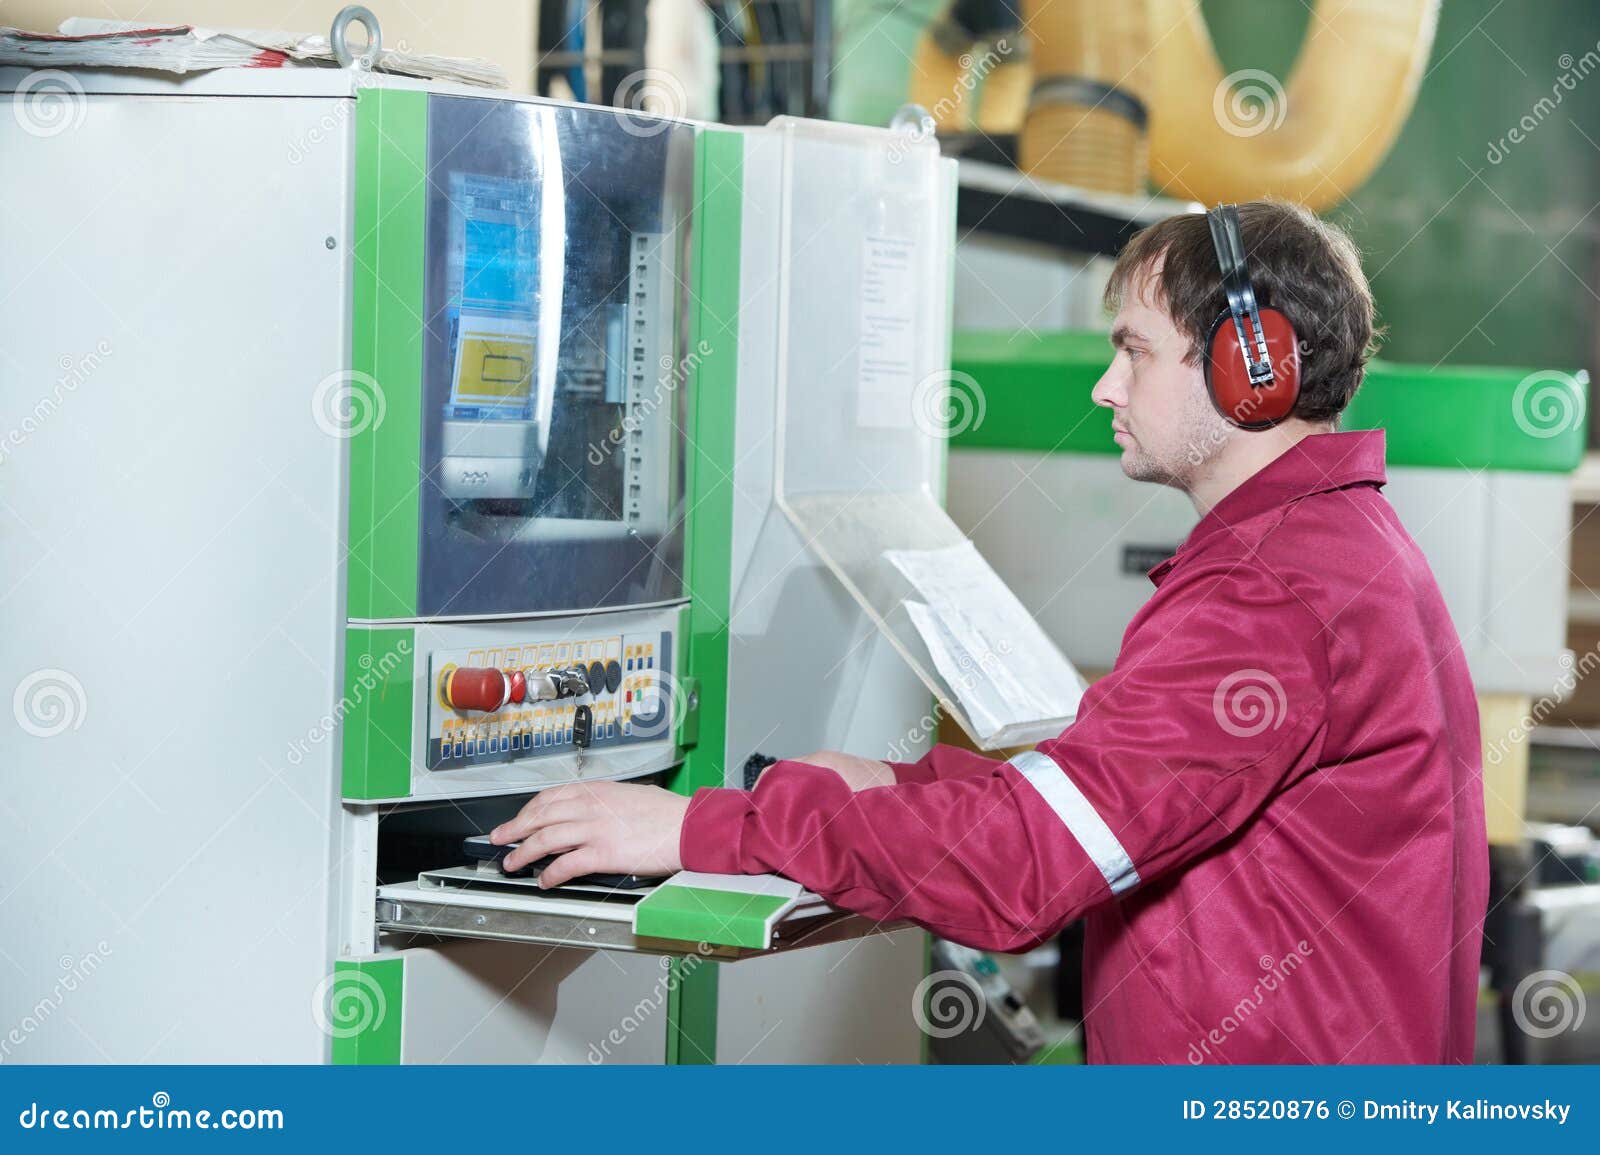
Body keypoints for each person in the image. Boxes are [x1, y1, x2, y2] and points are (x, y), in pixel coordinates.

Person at [490, 199, 1488, 1064]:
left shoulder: (1270, 591)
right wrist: (898, 785)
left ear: (1248, 364)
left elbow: (1027, 865)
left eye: (1133, 350)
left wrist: (703, 828)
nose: (1105, 388)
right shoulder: (1331, 548)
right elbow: (1116, 800)